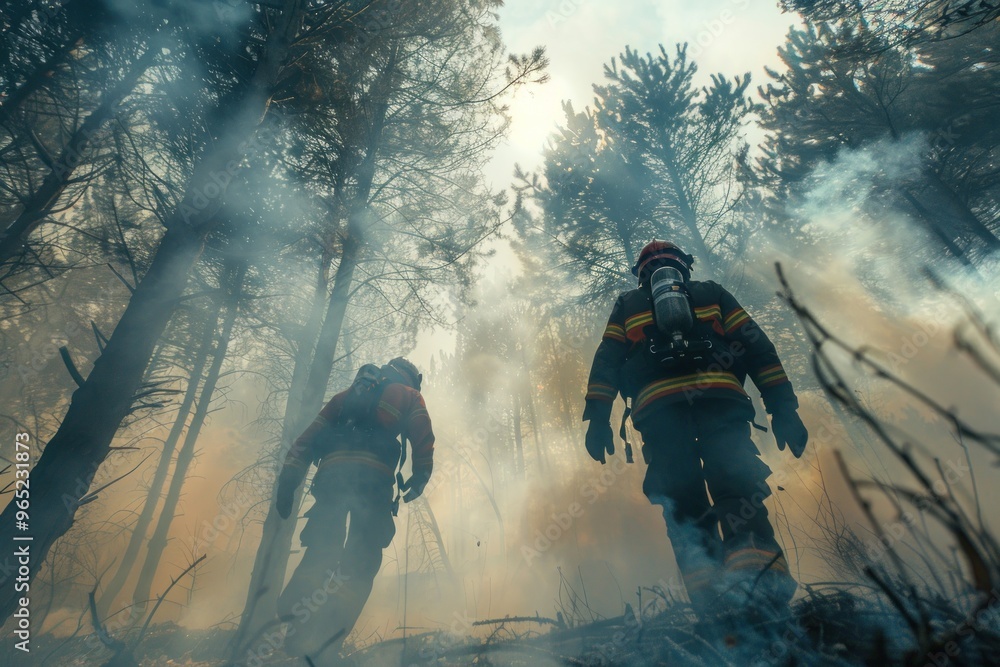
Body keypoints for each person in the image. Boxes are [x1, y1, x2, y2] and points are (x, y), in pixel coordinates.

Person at [583, 240, 808, 616]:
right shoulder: (712, 293)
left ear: (640, 276)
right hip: (720, 401)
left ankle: (711, 600)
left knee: (682, 500)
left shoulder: (628, 304)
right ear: (684, 267)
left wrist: (598, 420)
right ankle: (763, 586)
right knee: (737, 486)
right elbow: (757, 347)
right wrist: (783, 409)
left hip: (659, 412)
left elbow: (606, 363)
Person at [273, 357, 434, 662]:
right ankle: (327, 641)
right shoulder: (409, 395)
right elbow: (422, 434)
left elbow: (307, 438)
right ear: (413, 378)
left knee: (321, 549)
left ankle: (294, 622)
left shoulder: (346, 396)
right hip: (373, 483)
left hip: (331, 478)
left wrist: (288, 480)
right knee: (362, 560)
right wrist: (421, 475)